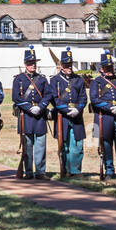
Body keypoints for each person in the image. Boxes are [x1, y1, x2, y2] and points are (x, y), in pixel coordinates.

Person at [11, 46, 53, 180]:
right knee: (27, 145)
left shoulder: (42, 79)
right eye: (30, 63)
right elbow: (16, 97)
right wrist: (29, 108)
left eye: (34, 63)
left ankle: (40, 172)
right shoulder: (19, 79)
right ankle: (28, 171)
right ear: (25, 64)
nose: (32, 65)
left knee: (40, 145)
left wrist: (40, 107)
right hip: (26, 115)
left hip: (39, 115)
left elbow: (48, 95)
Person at [90, 51, 116, 178]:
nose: (109, 70)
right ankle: (109, 171)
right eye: (106, 67)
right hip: (104, 117)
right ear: (101, 69)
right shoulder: (96, 82)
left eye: (111, 67)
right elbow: (94, 99)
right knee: (106, 145)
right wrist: (109, 108)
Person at [50, 48, 87, 176]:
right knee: (64, 145)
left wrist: (78, 109)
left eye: (70, 65)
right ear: (61, 66)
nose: (69, 67)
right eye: (66, 65)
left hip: (77, 116)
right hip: (63, 117)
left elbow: (83, 97)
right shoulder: (55, 80)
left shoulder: (78, 80)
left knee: (77, 145)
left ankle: (75, 170)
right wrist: (66, 110)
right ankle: (65, 170)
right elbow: (54, 99)